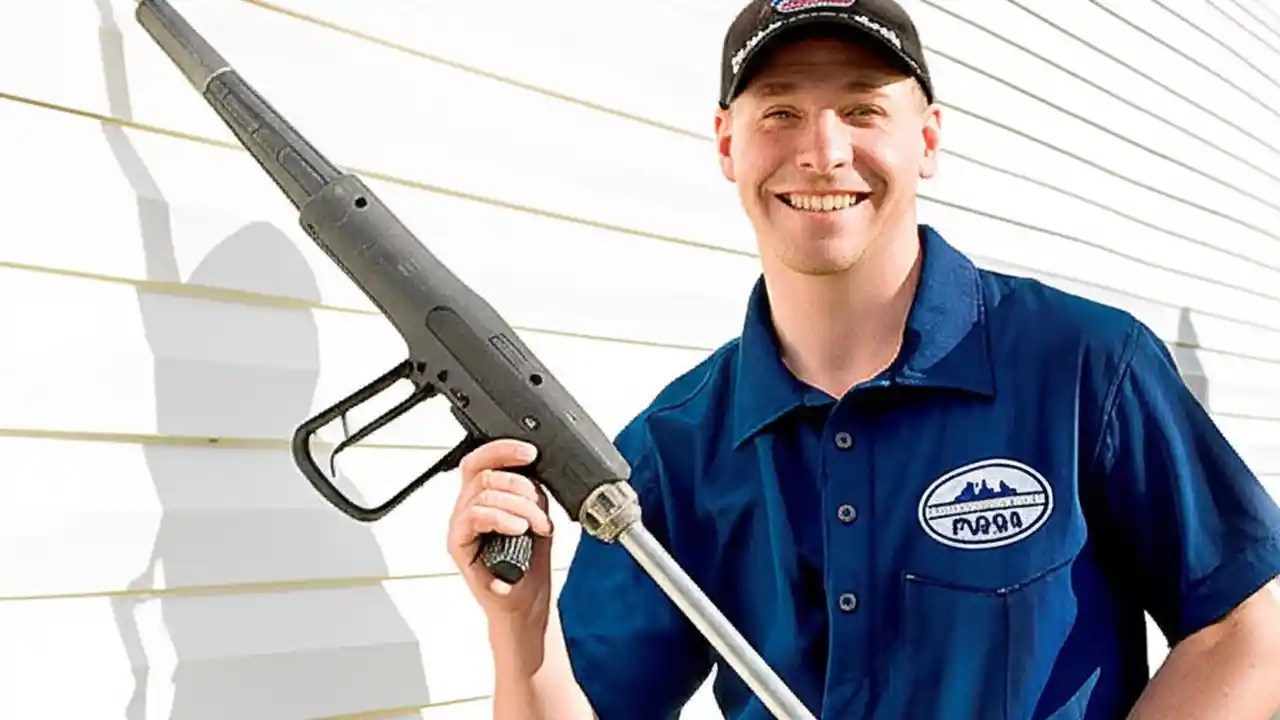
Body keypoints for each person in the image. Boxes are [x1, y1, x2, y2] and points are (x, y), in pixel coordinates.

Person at [445, 0, 1280, 717]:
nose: (823, 150)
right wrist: (520, 630)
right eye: (779, 111)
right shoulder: (676, 449)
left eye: (863, 109)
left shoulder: (1086, 369)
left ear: (929, 138)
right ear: (728, 145)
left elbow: (1249, 627)